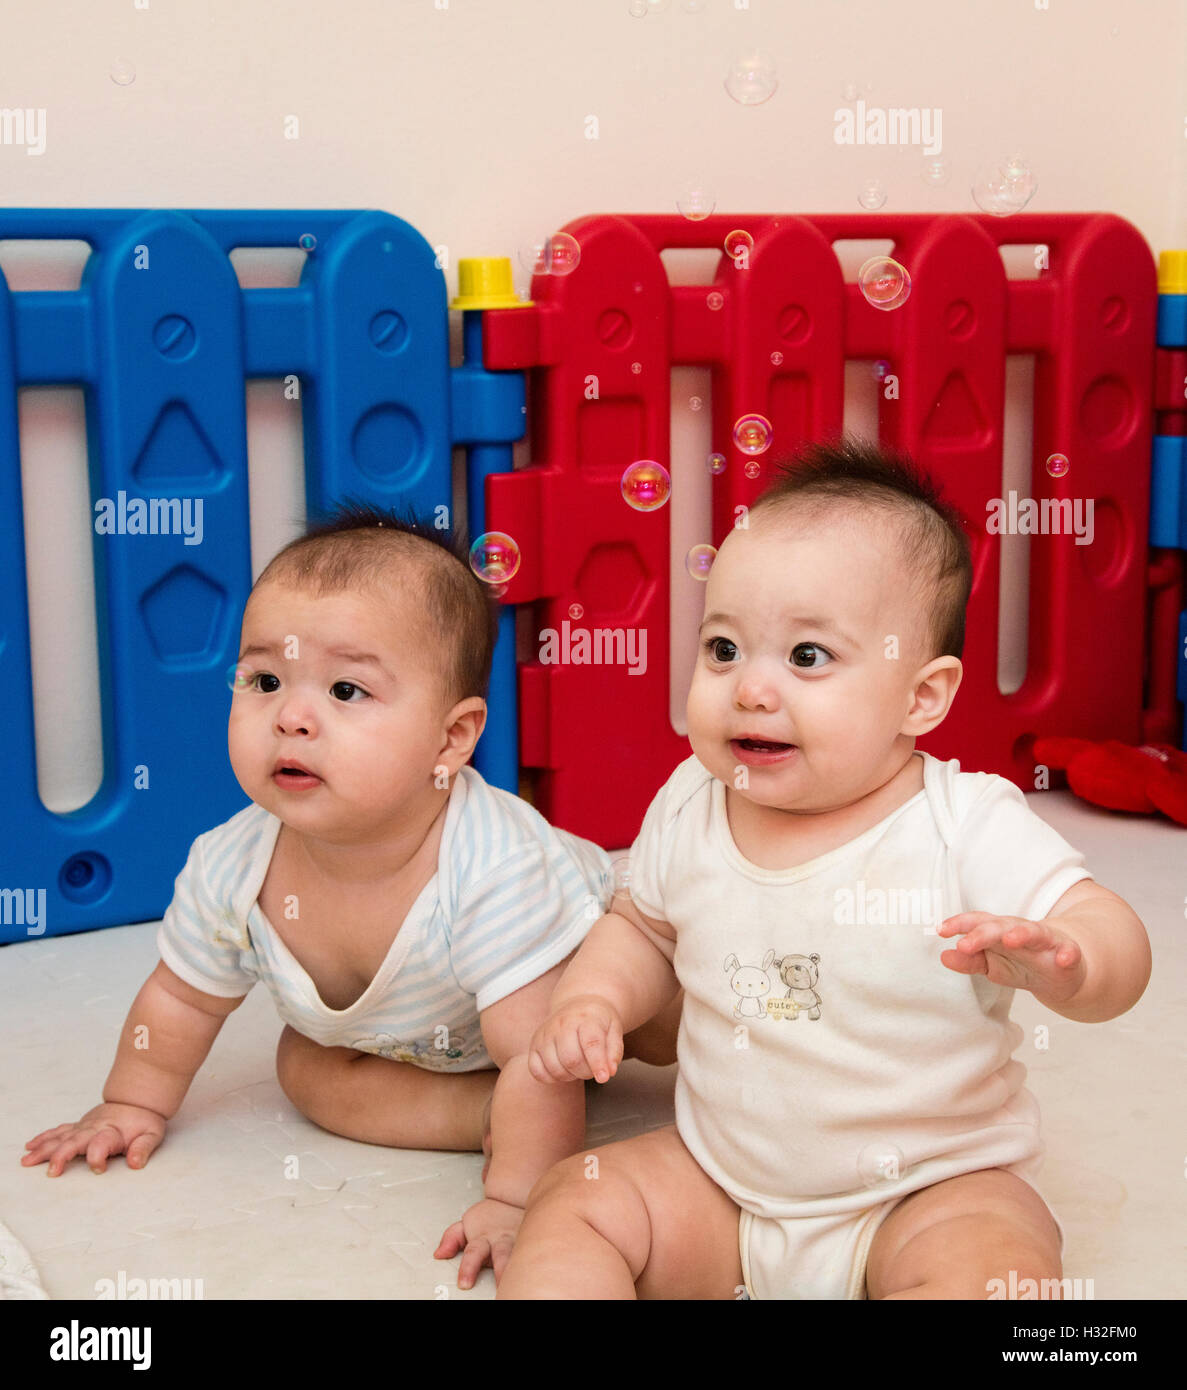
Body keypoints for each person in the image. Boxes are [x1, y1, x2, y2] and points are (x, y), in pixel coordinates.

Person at [499, 437, 1151, 1300]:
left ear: (920, 696)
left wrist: (1069, 958)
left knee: (992, 1268)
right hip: (721, 1182)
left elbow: (1113, 940)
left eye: (807, 657)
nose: (750, 690)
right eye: (723, 648)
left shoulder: (966, 822)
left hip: (926, 1188)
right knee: (573, 1206)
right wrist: (595, 999)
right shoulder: (692, 802)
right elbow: (642, 929)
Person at [22, 502, 679, 1291]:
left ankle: (594, 1079)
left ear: (449, 739)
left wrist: (515, 1200)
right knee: (306, 1073)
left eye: (345, 689)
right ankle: (487, 1116)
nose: (292, 717)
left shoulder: (492, 869)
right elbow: (179, 1000)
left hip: (573, 983)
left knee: (659, 1009)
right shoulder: (231, 865)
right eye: (265, 679)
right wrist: (130, 1103)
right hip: (429, 1041)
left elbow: (537, 1057)